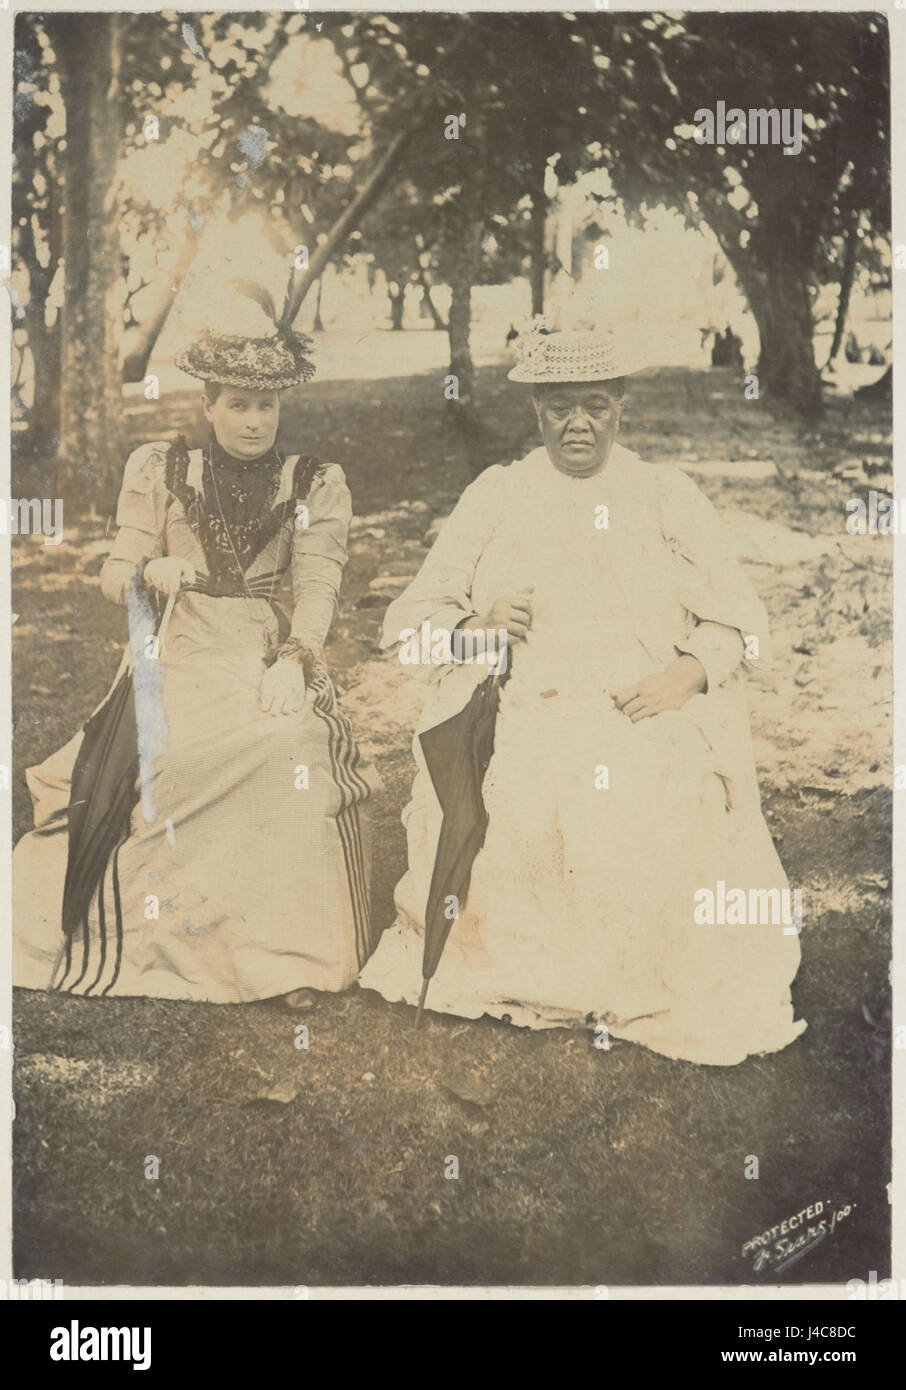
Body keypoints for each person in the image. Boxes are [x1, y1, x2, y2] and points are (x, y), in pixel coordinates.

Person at [359, 327, 806, 1066]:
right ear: (536, 410)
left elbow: (743, 624)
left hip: (640, 705)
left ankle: (633, 976)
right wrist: (479, 624)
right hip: (528, 710)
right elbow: (405, 628)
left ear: (621, 407)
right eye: (561, 407)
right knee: (533, 796)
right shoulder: (499, 495)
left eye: (595, 406)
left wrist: (684, 675)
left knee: (650, 786)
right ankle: (545, 975)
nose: (579, 424)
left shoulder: (665, 496)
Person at [14, 293, 379, 1004]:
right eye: (238, 404)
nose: (253, 421)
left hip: (263, 652)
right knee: (165, 758)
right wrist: (146, 573)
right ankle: (175, 940)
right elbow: (111, 573)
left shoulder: (315, 481)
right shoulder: (160, 467)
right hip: (177, 648)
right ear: (209, 403)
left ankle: (285, 955)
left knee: (293, 747)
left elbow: (318, 583)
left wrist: (297, 657)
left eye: (266, 406)